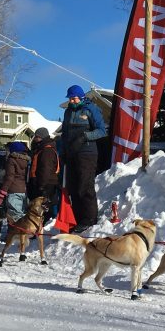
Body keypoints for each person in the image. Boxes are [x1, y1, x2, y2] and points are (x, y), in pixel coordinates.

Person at [60, 84, 107, 232]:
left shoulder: (90, 109)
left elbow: (102, 131)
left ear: (81, 97)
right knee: (73, 187)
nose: (72, 101)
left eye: (74, 98)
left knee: (84, 186)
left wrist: (84, 136)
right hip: (71, 153)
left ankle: (89, 218)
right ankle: (77, 218)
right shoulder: (68, 112)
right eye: (70, 99)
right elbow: (64, 133)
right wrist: (64, 151)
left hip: (87, 153)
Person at [28, 127, 60, 222]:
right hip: (44, 182)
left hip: (46, 184)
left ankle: (45, 226)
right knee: (42, 208)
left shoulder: (47, 150)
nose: (35, 138)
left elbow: (46, 169)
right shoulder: (42, 148)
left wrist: (42, 185)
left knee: (44, 209)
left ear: (41, 137)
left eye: (36, 136)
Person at [0, 141, 30, 220]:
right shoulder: (26, 161)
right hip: (23, 191)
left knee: (15, 218)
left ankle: (17, 228)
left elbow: (9, 178)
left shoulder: (11, 160)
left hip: (13, 190)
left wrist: (2, 193)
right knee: (22, 216)